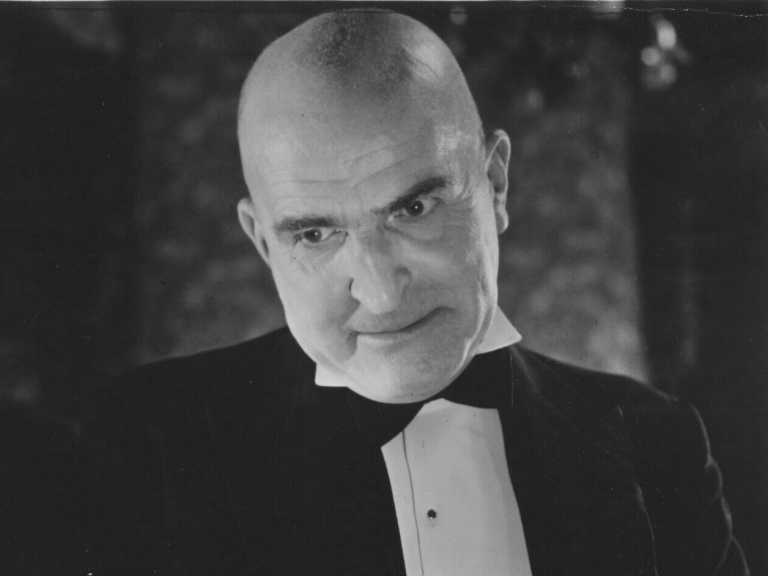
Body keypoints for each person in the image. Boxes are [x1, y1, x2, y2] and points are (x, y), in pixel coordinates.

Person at [77, 10, 748, 576]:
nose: (378, 292)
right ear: (262, 242)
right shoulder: (147, 444)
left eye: (414, 209)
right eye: (314, 233)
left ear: (496, 185)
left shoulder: (658, 442)